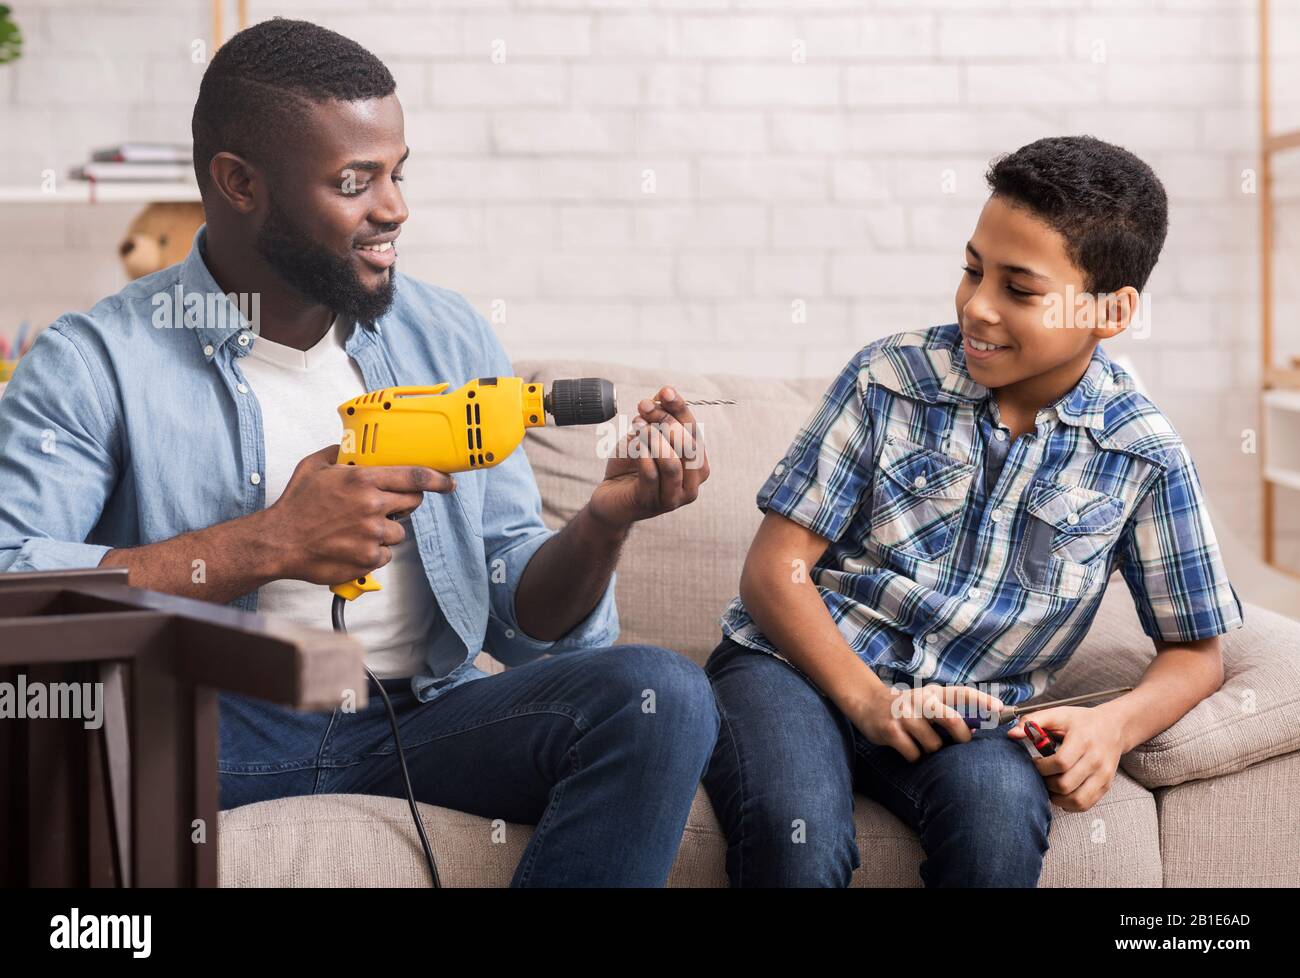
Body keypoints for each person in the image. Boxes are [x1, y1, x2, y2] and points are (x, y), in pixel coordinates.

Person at [0, 18, 719, 887]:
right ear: (239, 183)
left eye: (398, 173)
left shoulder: (446, 333)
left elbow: (524, 627)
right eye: (355, 181)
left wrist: (605, 524)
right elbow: (14, 596)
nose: (395, 209)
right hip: (206, 723)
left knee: (659, 697)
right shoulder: (94, 362)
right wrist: (266, 545)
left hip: (419, 719)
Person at [702, 135, 1245, 887]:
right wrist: (869, 703)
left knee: (996, 826)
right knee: (797, 841)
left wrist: (1113, 726)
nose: (977, 307)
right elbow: (775, 570)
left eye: (1019, 290)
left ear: (1112, 311)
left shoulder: (1141, 452)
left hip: (970, 714)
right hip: (791, 668)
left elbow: (1197, 652)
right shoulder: (888, 378)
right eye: (971, 269)